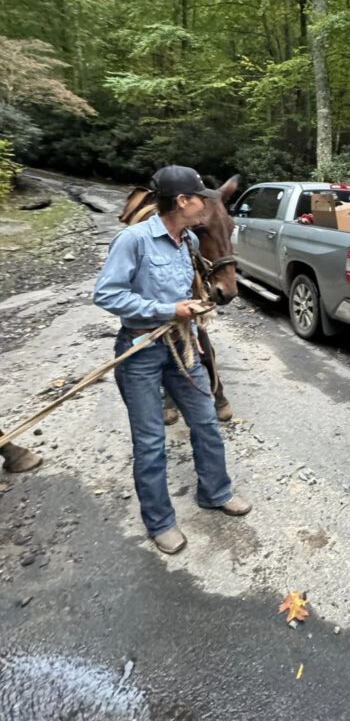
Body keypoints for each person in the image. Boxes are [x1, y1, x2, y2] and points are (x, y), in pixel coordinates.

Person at [93, 165, 251, 555]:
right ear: (182, 202)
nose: (204, 207)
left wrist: (195, 331)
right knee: (150, 443)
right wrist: (168, 309)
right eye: (200, 199)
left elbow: (189, 292)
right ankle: (160, 522)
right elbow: (106, 295)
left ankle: (215, 492)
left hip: (183, 347)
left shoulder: (188, 243)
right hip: (141, 351)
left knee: (207, 423)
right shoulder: (134, 240)